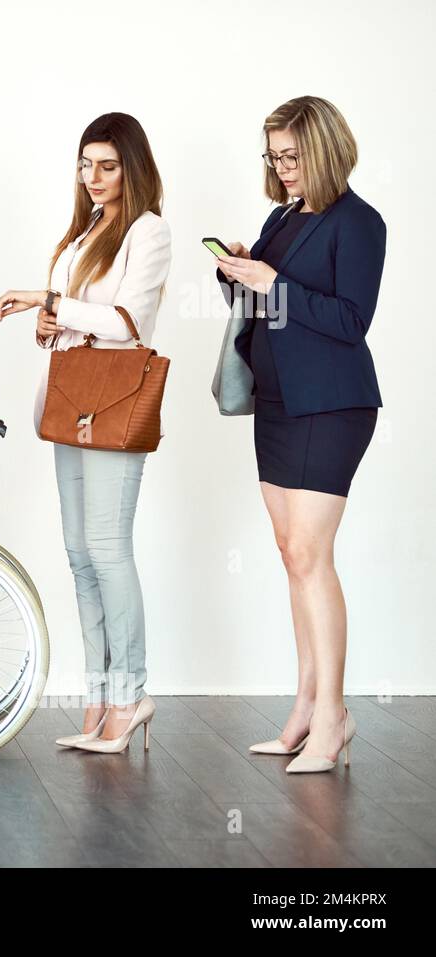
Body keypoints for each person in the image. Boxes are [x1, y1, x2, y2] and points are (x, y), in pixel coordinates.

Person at [214, 95, 384, 773]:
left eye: (292, 156)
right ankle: (307, 707)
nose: (283, 169)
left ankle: (333, 716)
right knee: (292, 553)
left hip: (332, 404)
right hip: (279, 401)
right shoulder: (282, 217)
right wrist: (239, 273)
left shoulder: (359, 222)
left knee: (311, 554)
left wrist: (273, 282)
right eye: (274, 156)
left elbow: (350, 320)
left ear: (323, 150)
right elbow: (264, 304)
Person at [0, 112, 171, 753]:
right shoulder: (89, 228)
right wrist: (52, 322)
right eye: (85, 164)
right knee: (79, 553)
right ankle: (99, 700)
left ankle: (130, 696)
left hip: (116, 405)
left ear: (132, 167)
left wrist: (52, 307)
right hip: (72, 403)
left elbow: (126, 322)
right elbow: (84, 319)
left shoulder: (148, 232)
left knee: (108, 548)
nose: (93, 177)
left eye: (108, 165)